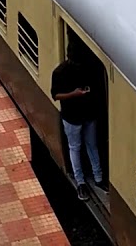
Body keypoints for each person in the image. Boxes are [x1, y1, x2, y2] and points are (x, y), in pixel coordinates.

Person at [51, 56, 106, 201]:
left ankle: (98, 178)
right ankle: (81, 182)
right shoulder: (60, 72)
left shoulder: (83, 68)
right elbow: (55, 95)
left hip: (87, 114)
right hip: (72, 117)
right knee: (76, 147)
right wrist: (74, 94)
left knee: (89, 146)